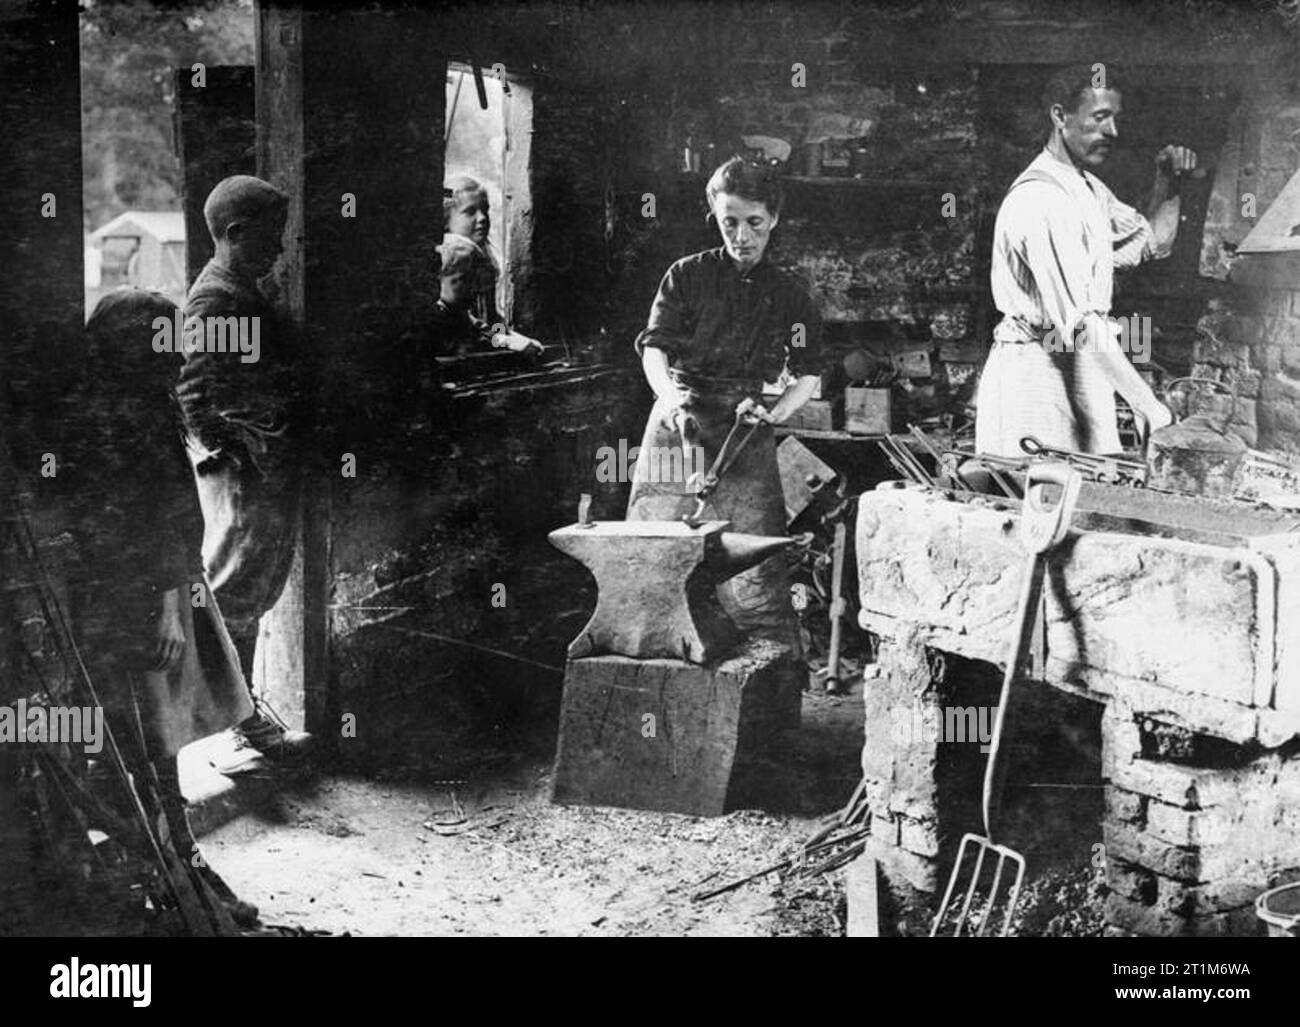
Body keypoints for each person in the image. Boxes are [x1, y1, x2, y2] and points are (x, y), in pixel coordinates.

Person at [70, 288, 259, 926]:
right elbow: (142, 526)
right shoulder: (114, 419)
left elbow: (174, 518)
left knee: (159, 737)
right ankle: (170, 859)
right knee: (145, 735)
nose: (177, 353)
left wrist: (180, 597)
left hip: (168, 585)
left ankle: (181, 856)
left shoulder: (148, 406)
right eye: (163, 339)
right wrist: (166, 610)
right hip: (139, 598)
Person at [627, 155, 823, 665]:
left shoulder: (789, 295)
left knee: (756, 569)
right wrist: (669, 400)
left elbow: (809, 373)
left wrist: (776, 414)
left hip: (745, 428)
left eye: (754, 223)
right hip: (679, 421)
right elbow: (655, 348)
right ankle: (649, 673)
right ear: (715, 216)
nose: (741, 235)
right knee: (652, 548)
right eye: (729, 221)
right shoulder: (686, 277)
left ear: (774, 219)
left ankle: (767, 691)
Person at [975, 64, 1197, 458]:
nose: (1112, 132)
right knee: (1041, 499)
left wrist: (1169, 180)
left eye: (1115, 118)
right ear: (1060, 116)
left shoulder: (1088, 188)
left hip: (1080, 364)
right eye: (1099, 117)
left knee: (1089, 493)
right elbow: (1081, 325)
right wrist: (1152, 410)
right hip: (1035, 375)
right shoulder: (1042, 199)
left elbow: (1153, 242)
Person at [176, 175, 312, 773]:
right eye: (271, 236)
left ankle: (244, 718)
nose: (280, 249)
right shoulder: (216, 299)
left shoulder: (242, 292)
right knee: (231, 596)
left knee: (254, 593)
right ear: (234, 234)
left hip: (263, 469)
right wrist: (235, 451)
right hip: (242, 476)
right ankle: (232, 730)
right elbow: (192, 393)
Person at [442, 174, 542, 351]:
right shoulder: (446, 262)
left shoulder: (483, 261)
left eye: (485, 210)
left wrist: (511, 336)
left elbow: (490, 322)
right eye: (470, 211)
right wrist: (506, 342)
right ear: (447, 219)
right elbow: (468, 329)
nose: (482, 218)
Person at [430, 234, 542, 356]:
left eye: (477, 281)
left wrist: (517, 339)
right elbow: (467, 345)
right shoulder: (433, 317)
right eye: (465, 279)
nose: (475, 289)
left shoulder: (461, 314)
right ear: (438, 279)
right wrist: (508, 342)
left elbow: (485, 332)